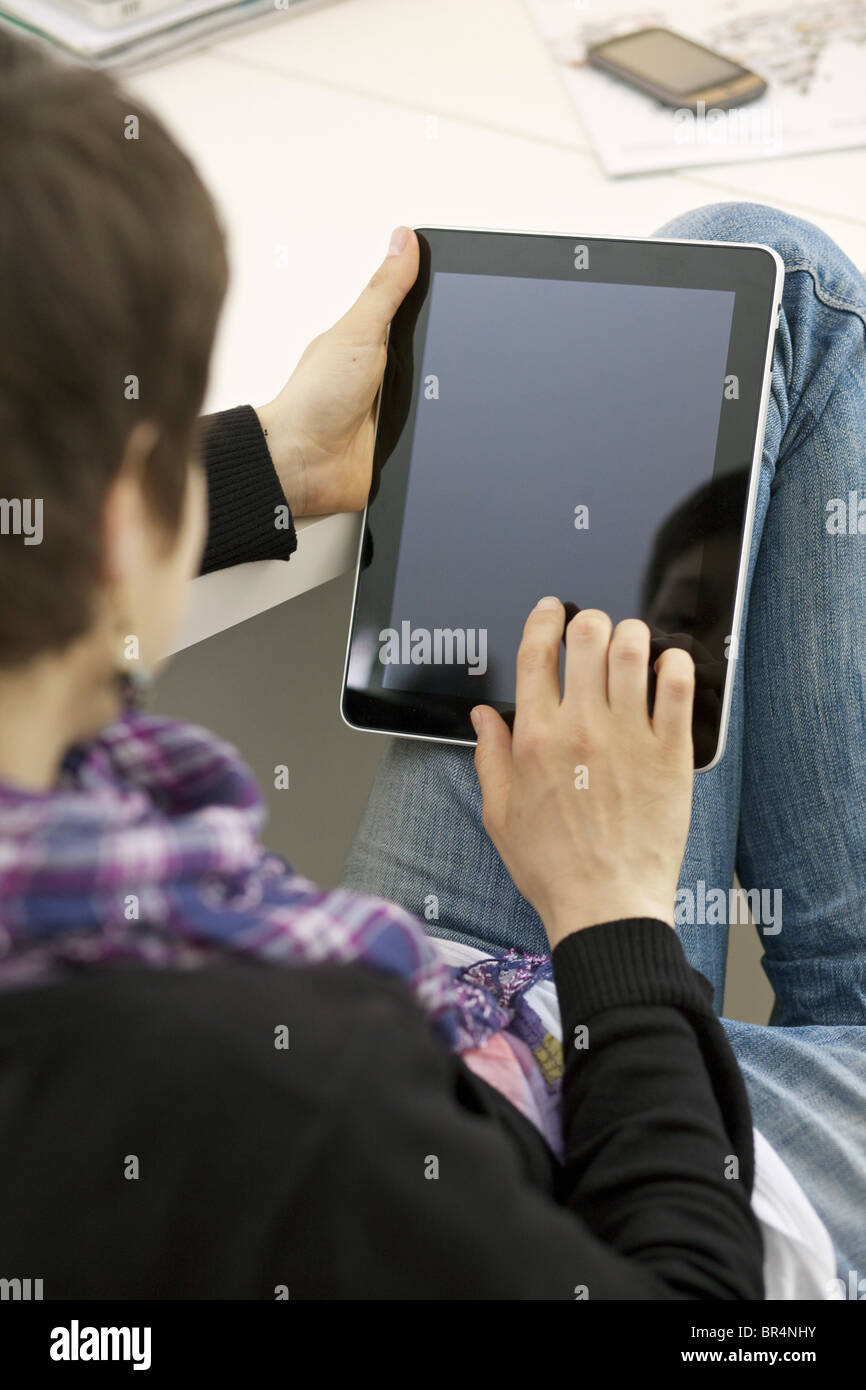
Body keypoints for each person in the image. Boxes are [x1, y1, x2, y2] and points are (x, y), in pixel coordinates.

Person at [0, 32, 859, 1299]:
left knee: (755, 270)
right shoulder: (297, 1106)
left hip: (433, 1004)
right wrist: (611, 921)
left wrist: (265, 469)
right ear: (129, 521)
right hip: (588, 1159)